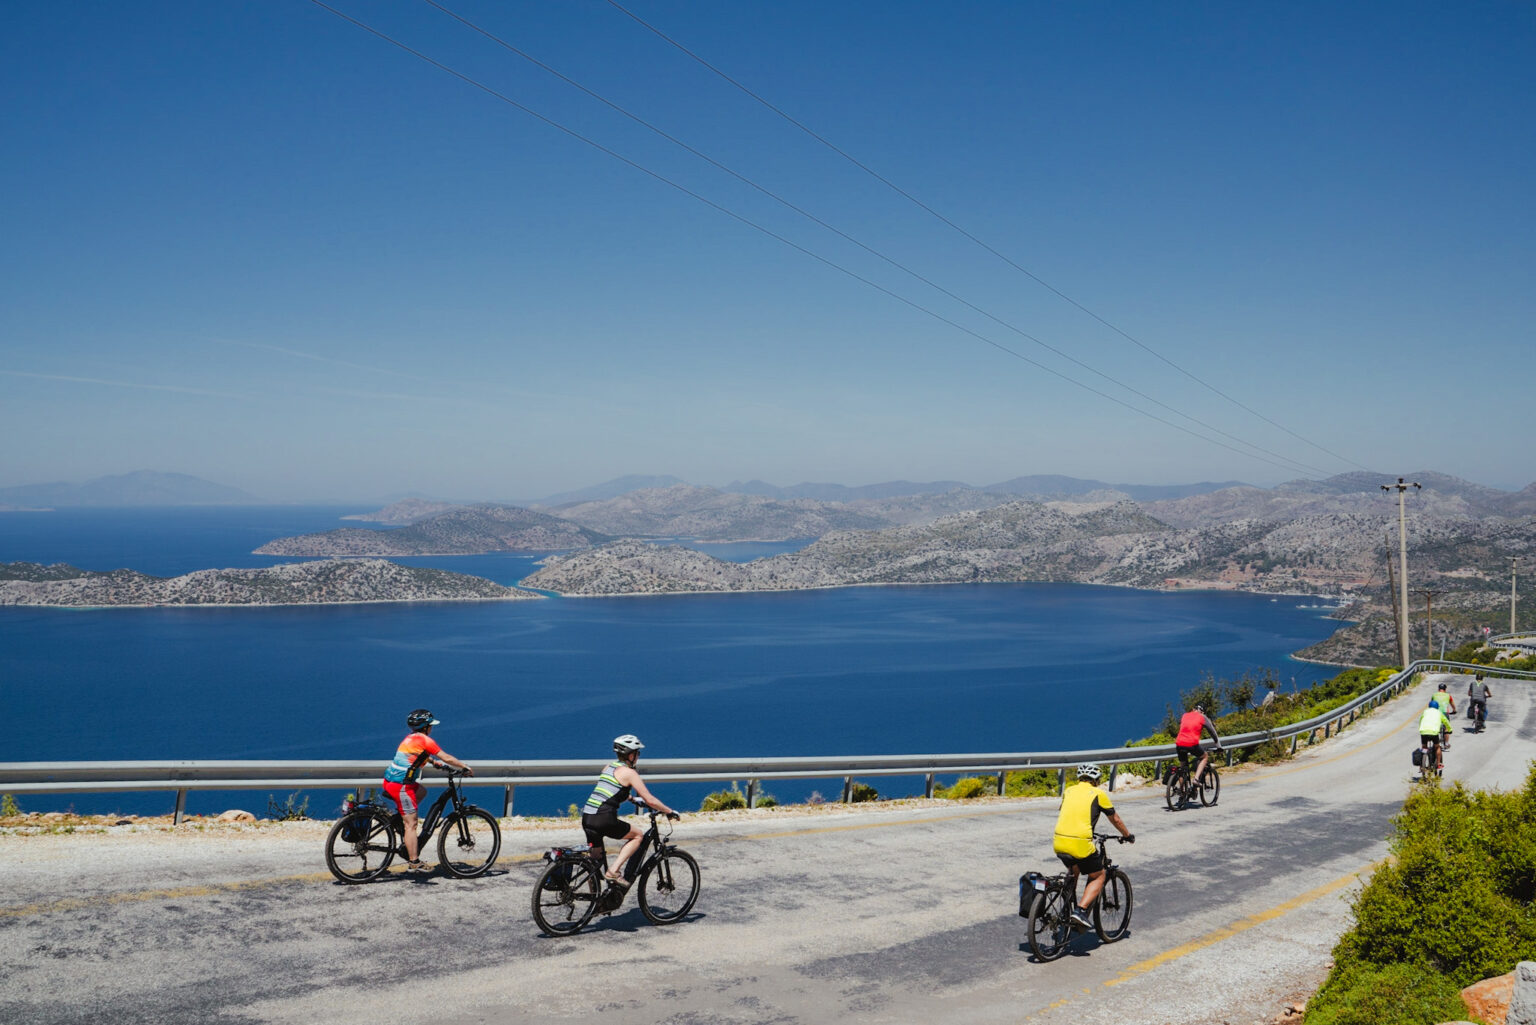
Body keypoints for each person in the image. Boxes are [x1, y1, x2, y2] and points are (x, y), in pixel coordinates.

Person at [382, 709, 474, 871]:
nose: (432, 728)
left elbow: (418, 753)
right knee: (412, 824)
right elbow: (446, 757)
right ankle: (414, 861)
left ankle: (400, 820)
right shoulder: (426, 740)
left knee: (422, 792)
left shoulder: (411, 738)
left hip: (390, 781)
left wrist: (432, 762)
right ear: (425, 727)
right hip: (402, 785)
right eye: (430, 725)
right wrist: (464, 766)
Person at [581, 734, 679, 885]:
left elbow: (610, 790)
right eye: (638, 753)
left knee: (594, 864)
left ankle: (597, 905)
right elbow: (650, 800)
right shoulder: (630, 773)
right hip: (603, 819)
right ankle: (613, 871)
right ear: (631, 755)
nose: (638, 756)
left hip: (588, 817)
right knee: (638, 836)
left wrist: (632, 799)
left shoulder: (608, 767)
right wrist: (669, 811)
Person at [1051, 764, 1133, 931]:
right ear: (1096, 780)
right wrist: (1127, 835)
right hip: (1080, 843)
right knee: (1099, 875)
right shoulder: (1098, 793)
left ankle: (1065, 909)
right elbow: (1115, 819)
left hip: (1059, 841)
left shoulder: (1069, 791)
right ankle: (1080, 911)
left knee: (1074, 871)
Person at [1174, 704, 1223, 786]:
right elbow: (1213, 733)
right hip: (1192, 743)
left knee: (1183, 768)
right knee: (1204, 756)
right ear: (1202, 712)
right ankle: (1196, 779)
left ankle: (1181, 792)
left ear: (1193, 709)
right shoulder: (1202, 717)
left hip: (1179, 743)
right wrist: (1219, 747)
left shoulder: (1185, 715)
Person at [1418, 698, 1452, 776]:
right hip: (1433, 732)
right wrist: (1450, 729)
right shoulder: (1439, 712)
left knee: (1424, 747)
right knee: (1437, 747)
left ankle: (1421, 765)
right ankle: (1439, 763)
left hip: (1423, 731)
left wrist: (1421, 729)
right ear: (1437, 707)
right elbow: (1446, 721)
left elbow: (1421, 721)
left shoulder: (1425, 712)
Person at [1433, 682, 1457, 750]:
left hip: (1436, 713)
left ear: (1438, 689)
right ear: (1445, 689)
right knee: (1446, 728)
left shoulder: (1434, 695)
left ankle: (1435, 742)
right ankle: (1446, 743)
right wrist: (1454, 710)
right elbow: (1452, 704)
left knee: (1435, 727)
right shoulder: (1448, 695)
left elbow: (1432, 703)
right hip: (1444, 713)